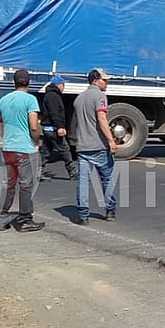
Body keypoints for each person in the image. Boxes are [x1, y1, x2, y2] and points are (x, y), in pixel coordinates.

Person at [0, 69, 45, 232]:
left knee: (9, 184)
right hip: (24, 148)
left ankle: (2, 217)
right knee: (26, 185)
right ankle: (25, 219)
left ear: (14, 82)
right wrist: (37, 141)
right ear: (29, 82)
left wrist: (6, 136)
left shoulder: (3, 100)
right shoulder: (30, 100)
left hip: (8, 148)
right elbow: (34, 125)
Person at [70, 68, 117, 224]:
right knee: (106, 179)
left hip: (82, 146)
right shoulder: (100, 96)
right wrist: (111, 140)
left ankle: (83, 215)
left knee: (83, 181)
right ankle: (110, 210)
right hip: (99, 146)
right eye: (105, 80)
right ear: (95, 80)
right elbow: (102, 119)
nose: (107, 83)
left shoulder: (79, 98)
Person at [38, 75, 79, 182]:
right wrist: (60, 127)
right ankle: (72, 172)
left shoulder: (50, 95)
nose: (64, 87)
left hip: (48, 128)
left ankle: (38, 172)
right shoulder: (53, 96)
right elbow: (55, 113)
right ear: (59, 85)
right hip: (53, 129)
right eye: (63, 84)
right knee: (65, 149)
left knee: (46, 151)